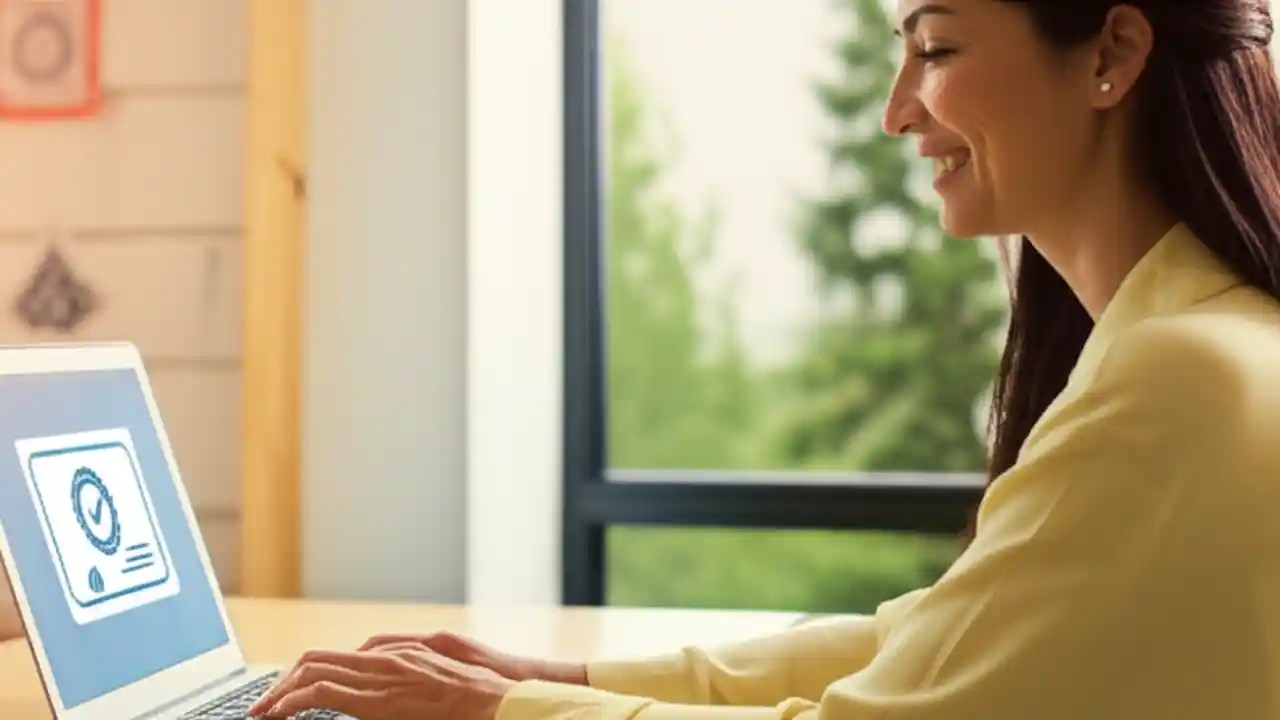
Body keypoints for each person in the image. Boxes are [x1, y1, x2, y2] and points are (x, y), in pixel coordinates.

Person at [250, 0, 1280, 717]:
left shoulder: (1174, 382)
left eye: (934, 48)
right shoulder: (1203, 340)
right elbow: (923, 644)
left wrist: (504, 710)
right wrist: (559, 677)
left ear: (1111, 52)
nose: (896, 108)